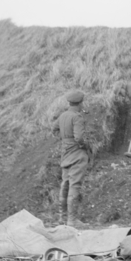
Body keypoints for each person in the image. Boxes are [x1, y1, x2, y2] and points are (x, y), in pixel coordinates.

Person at [51, 90, 90, 227]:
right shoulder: (77, 117)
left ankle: (63, 218)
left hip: (65, 153)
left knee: (65, 184)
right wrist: (85, 146)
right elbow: (79, 137)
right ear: (80, 103)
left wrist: (64, 141)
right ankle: (72, 221)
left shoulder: (63, 115)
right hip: (77, 154)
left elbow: (54, 128)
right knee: (75, 185)